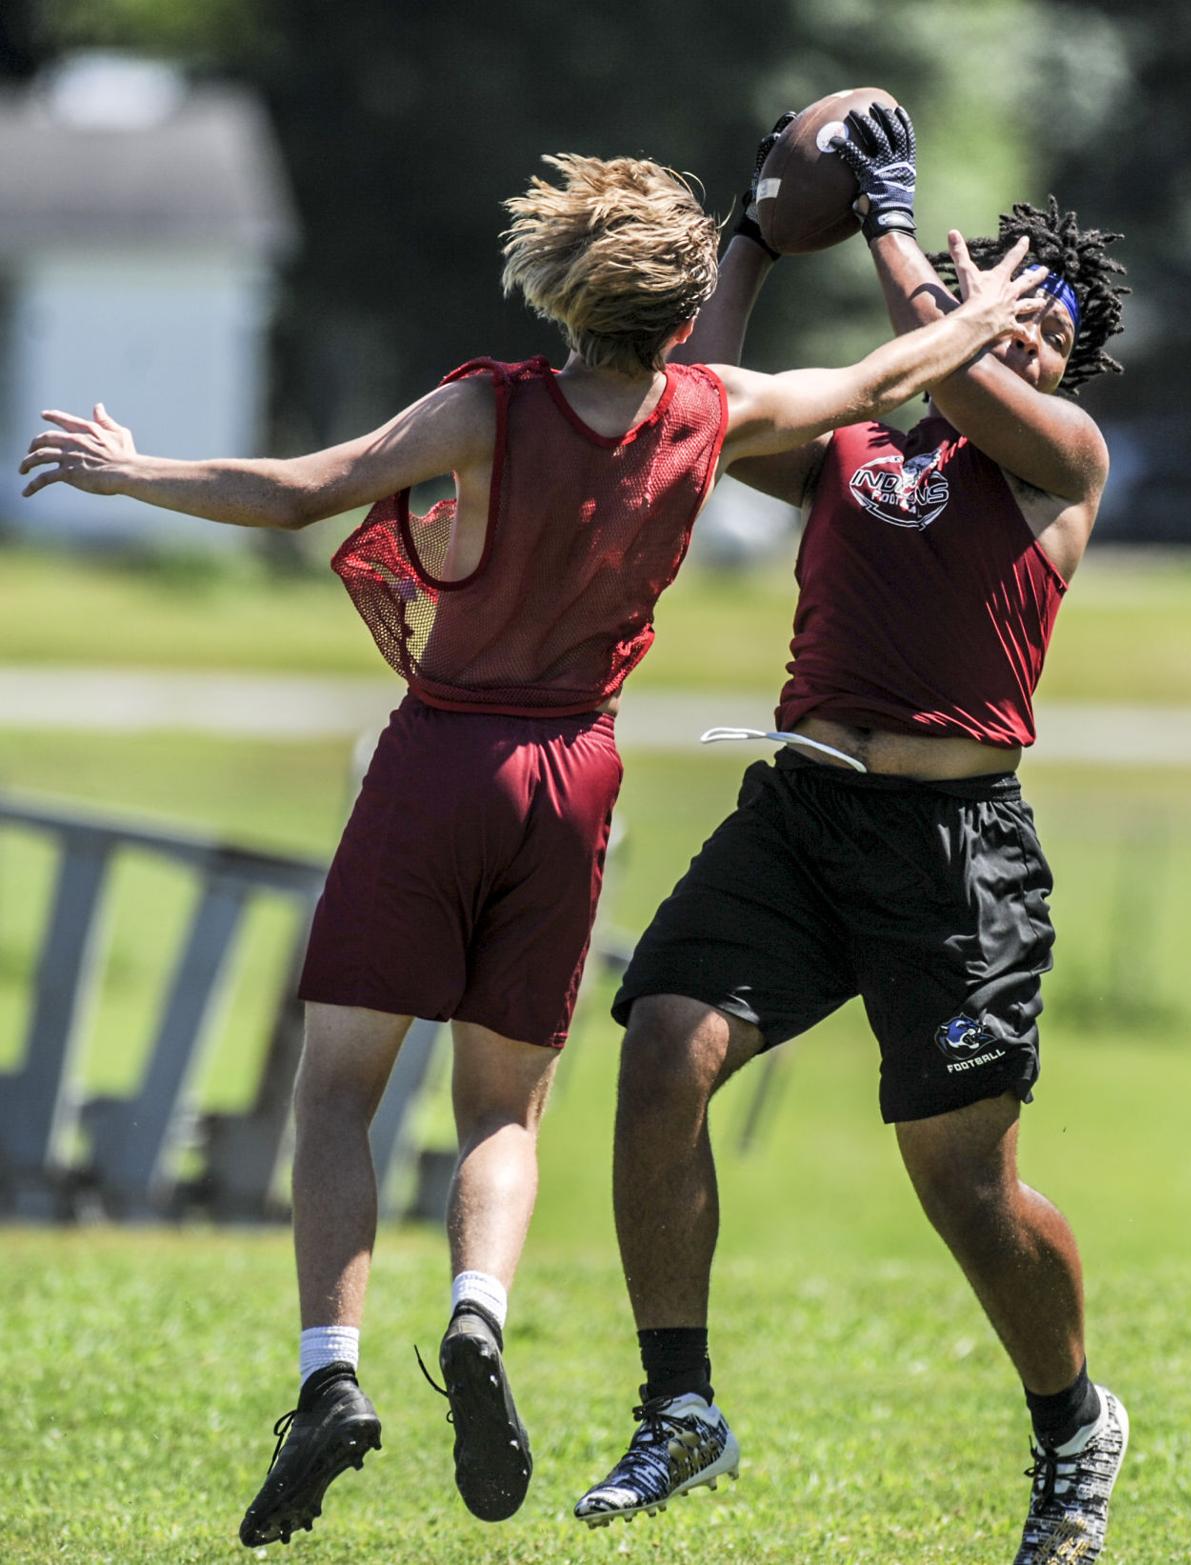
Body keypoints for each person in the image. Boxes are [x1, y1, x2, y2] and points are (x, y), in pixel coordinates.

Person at [20, 149, 1039, 1549]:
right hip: (574, 780)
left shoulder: (488, 408)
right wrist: (977, 318)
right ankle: (477, 1316)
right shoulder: (707, 407)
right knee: (503, 1108)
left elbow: (304, 487)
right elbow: (870, 386)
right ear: (681, 305)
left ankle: (333, 1374)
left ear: (559, 283)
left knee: (334, 1096)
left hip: (440, 760)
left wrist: (131, 472)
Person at [574, 108, 1130, 1565]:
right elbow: (687, 401)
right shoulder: (857, 439)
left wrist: (894, 232)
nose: (1014, 330)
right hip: (805, 815)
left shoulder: (1060, 458)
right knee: (661, 1044)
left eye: (1042, 319)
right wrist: (755, 233)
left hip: (956, 860)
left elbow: (986, 391)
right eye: (994, 291)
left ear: (1067, 358)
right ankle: (679, 1404)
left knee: (962, 1188)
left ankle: (1075, 1424)